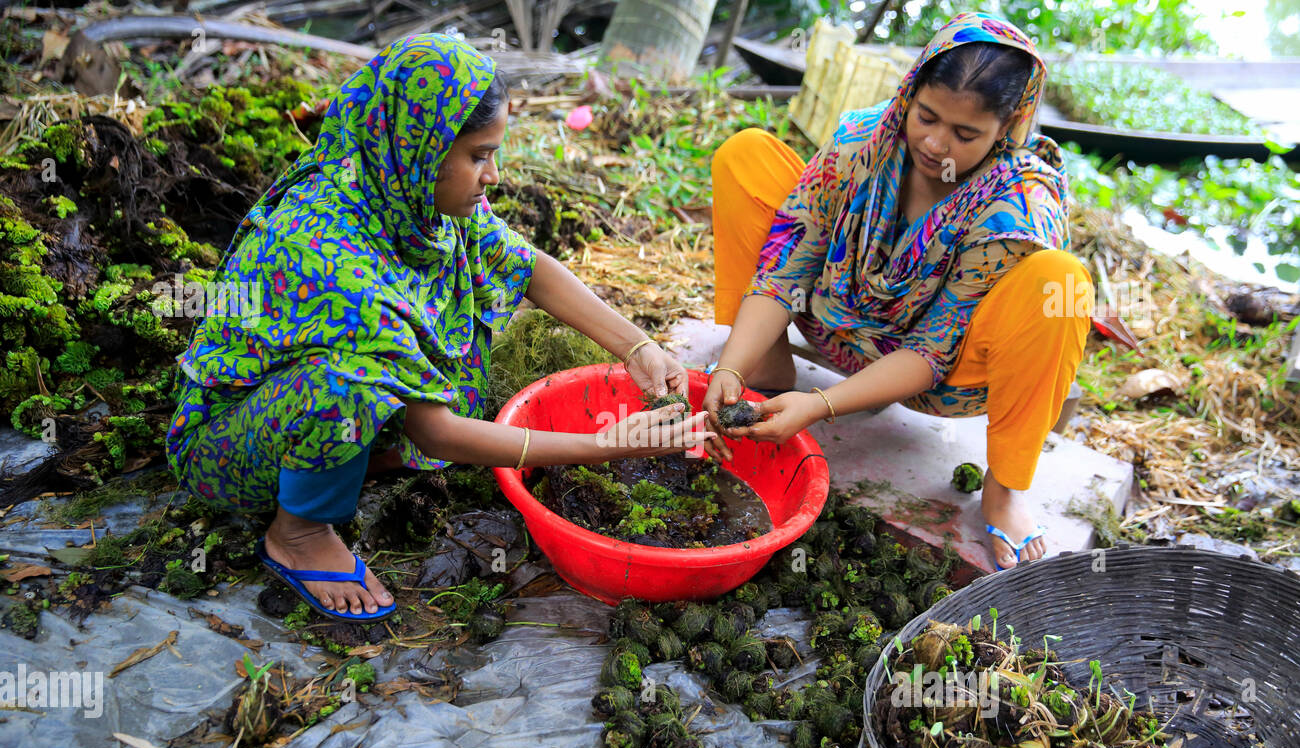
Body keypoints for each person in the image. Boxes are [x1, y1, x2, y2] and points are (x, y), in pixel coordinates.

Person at [166, 34, 715, 622]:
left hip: (289, 399)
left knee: (440, 376)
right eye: (479, 156)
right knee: (349, 391)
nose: (494, 176)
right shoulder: (327, 252)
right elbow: (435, 432)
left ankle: (348, 460)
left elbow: (526, 265)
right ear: (420, 147)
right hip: (227, 441)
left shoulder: (402, 189)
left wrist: (638, 346)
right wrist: (604, 446)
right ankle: (298, 532)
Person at [702, 12, 1094, 570]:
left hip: (941, 376)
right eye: (926, 116)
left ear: (1009, 126)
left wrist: (819, 406)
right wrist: (729, 370)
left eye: (965, 134)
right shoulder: (860, 142)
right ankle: (765, 365)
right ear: (908, 93)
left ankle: (1004, 492)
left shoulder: (1017, 206)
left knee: (1062, 284)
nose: (934, 145)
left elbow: (934, 351)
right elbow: (786, 263)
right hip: (832, 322)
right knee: (748, 157)